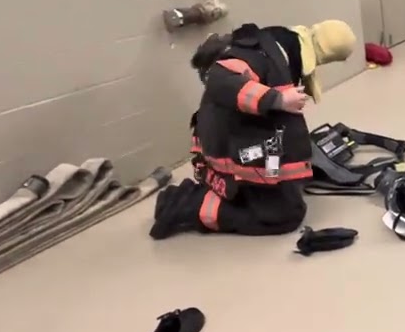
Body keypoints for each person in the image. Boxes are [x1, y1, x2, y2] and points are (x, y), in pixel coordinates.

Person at [150, 20, 356, 239]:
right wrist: (277, 99)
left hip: (243, 139)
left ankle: (222, 195)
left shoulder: (280, 45)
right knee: (285, 217)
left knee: (289, 195)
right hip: (230, 144)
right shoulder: (267, 54)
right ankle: (190, 205)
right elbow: (220, 80)